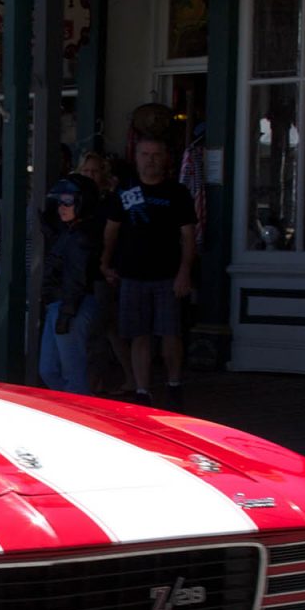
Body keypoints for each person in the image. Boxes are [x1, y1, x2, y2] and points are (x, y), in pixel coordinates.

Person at [101, 137, 197, 409]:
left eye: (156, 154)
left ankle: (174, 384)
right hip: (132, 275)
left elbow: (188, 236)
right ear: (137, 157)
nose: (150, 159)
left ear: (165, 157)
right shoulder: (125, 191)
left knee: (170, 335)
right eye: (145, 154)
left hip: (167, 275)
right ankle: (143, 390)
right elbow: (111, 231)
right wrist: (105, 263)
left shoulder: (177, 193)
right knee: (138, 335)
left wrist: (185, 272)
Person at [38, 175, 103, 395]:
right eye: (59, 202)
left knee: (73, 376)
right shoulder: (70, 232)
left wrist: (67, 313)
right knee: (49, 370)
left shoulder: (82, 237)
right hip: (59, 305)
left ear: (82, 203)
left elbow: (76, 278)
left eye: (68, 201)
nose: (62, 207)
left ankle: (82, 417)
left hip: (71, 306)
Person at [79, 149, 132, 394]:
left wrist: (107, 265)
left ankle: (97, 383)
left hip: (103, 270)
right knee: (107, 328)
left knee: (101, 329)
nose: (90, 175)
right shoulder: (77, 199)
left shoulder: (111, 201)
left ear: (103, 173)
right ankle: (126, 376)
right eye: (86, 170)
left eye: (95, 170)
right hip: (82, 269)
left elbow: (112, 237)